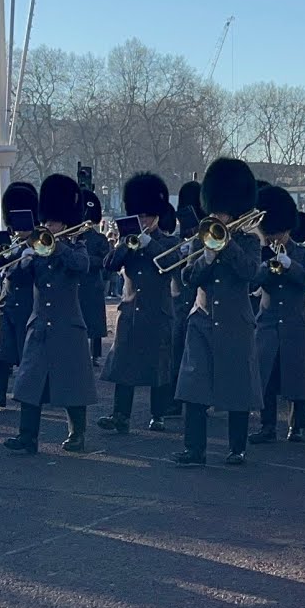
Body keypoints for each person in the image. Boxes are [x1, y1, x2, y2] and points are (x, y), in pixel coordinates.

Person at [171, 158, 263, 467]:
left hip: (236, 321)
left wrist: (227, 248)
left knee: (238, 388)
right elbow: (187, 278)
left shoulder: (249, 241)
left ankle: (237, 448)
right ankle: (194, 448)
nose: (216, 217)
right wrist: (206, 259)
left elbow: (251, 272)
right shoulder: (200, 239)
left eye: (221, 212)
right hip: (202, 319)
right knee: (194, 387)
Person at [3, 174, 97, 455]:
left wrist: (57, 247)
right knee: (30, 383)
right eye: (46, 222)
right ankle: (26, 437)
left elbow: (82, 265)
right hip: (40, 325)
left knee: (72, 385)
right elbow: (12, 277)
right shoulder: (36, 249)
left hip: (67, 325)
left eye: (52, 223)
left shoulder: (75, 247)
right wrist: (22, 256)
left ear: (65, 224)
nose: (47, 226)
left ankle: (76, 434)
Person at [97, 173, 179, 434]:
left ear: (156, 216)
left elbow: (171, 265)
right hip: (131, 311)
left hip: (158, 311)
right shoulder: (128, 240)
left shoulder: (168, 242)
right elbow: (109, 265)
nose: (143, 221)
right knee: (124, 366)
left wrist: (150, 245)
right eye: (139, 216)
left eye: (147, 216)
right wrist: (124, 246)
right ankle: (120, 415)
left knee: (159, 367)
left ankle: (158, 415)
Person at [249, 185, 305, 445]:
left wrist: (291, 266)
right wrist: (264, 267)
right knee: (265, 378)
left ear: (288, 229)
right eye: (270, 235)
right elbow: (252, 282)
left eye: (278, 234)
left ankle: (297, 426)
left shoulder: (304, 252)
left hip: (297, 321)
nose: (274, 240)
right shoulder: (262, 253)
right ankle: (267, 426)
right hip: (268, 321)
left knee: (298, 379)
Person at [0, 182, 38, 407]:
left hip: (28, 302)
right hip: (7, 302)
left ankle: (29, 393)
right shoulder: (12, 242)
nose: (18, 230)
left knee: (28, 352)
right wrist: (6, 254)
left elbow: (34, 274)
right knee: (2, 350)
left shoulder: (39, 243)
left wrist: (25, 257)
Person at [166, 180, 203, 419]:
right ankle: (174, 400)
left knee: (199, 356)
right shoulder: (180, 238)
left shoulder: (207, 238)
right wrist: (180, 253)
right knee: (176, 353)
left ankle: (199, 400)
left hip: (199, 303)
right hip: (179, 302)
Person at [78, 189, 110, 366]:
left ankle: (95, 354)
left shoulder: (99, 239)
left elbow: (104, 260)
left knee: (95, 322)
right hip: (78, 284)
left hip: (93, 283)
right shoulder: (75, 238)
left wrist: (86, 261)